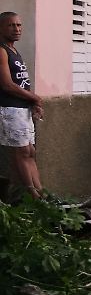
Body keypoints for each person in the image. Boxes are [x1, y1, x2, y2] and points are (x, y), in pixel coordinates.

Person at [0, 11, 43, 200]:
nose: (16, 29)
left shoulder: (14, 51)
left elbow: (22, 82)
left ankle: (42, 193)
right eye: (11, 25)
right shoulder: (1, 50)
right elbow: (7, 85)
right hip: (10, 108)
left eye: (19, 25)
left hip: (22, 108)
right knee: (23, 152)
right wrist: (35, 97)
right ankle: (32, 195)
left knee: (31, 151)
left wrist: (32, 102)